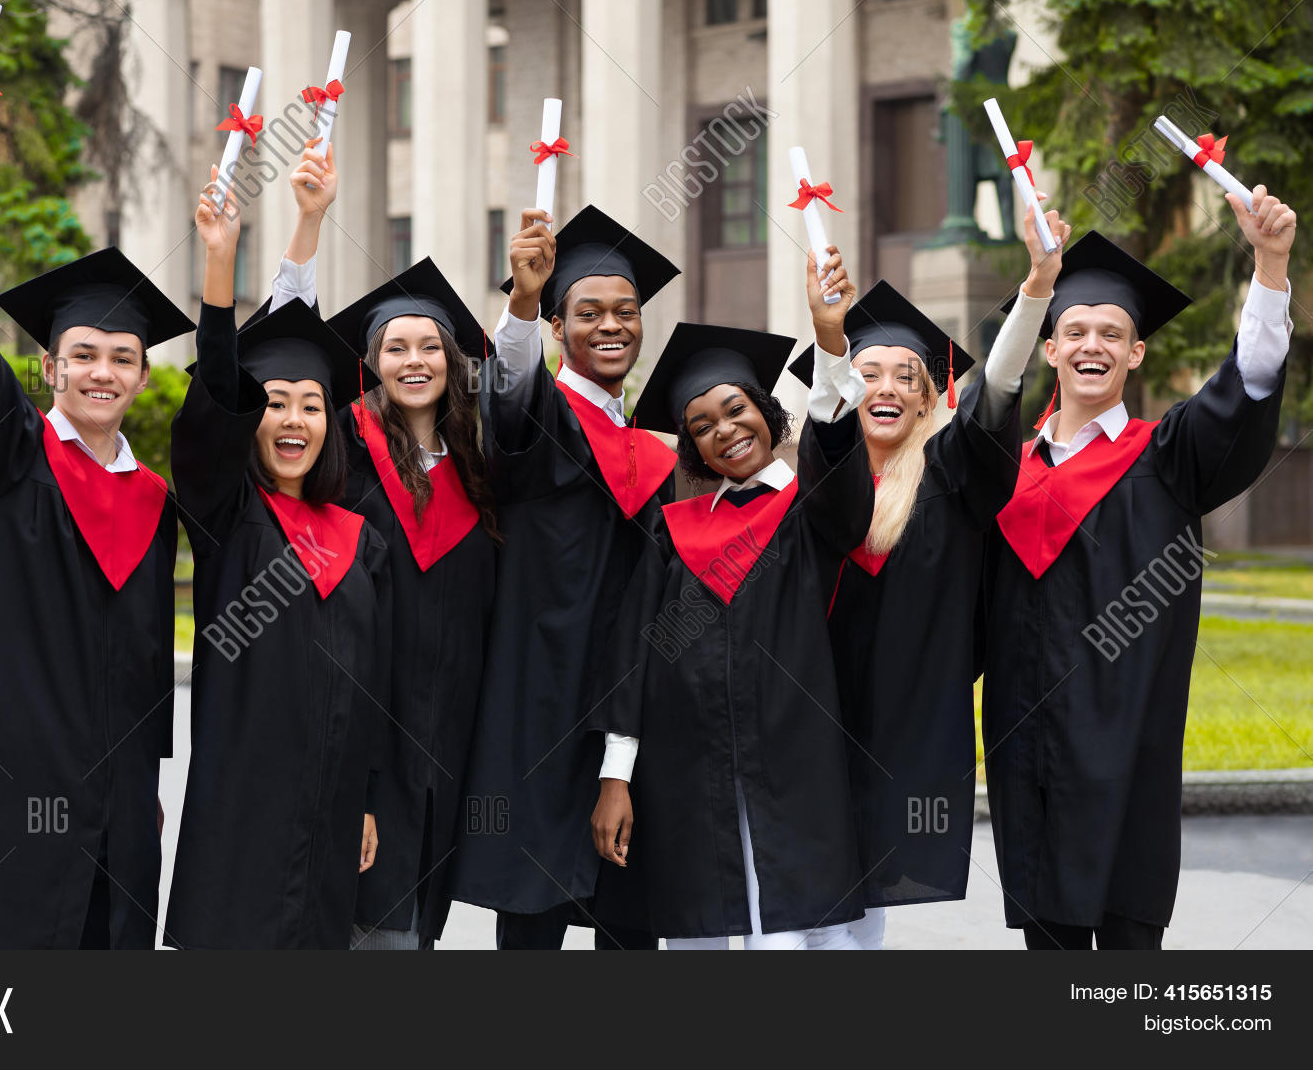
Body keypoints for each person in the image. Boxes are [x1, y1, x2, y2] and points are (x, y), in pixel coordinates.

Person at [0, 99, 191, 949]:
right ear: (49, 365)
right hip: (1, 807)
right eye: (83, 355)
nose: (102, 372)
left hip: (117, 815)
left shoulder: (152, 499)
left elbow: (141, 665)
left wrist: (145, 783)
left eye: (122, 357)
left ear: (140, 376)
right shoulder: (6, 458)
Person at [982, 186, 1296, 950]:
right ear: (1049, 348)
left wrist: (1271, 261)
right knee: (1047, 952)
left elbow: (1247, 380)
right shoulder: (1000, 473)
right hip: (1028, 751)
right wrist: (1036, 281)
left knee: (1127, 965)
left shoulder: (1168, 457)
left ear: (1136, 351)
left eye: (1113, 333)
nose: (1094, 345)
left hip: (1126, 752)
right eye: (1076, 330)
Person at [798, 205, 1070, 950]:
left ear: (927, 397)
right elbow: (826, 452)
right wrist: (829, 342)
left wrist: (1037, 288)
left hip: (901, 730)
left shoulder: (949, 478)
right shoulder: (809, 483)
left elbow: (996, 392)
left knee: (858, 924)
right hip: (804, 725)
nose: (885, 387)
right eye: (867, 374)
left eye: (905, 376)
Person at [587, 246, 874, 949]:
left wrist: (831, 339)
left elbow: (838, 453)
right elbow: (637, 659)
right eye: (703, 425)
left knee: (800, 940)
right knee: (701, 937)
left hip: (796, 771)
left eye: (736, 409)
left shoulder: (811, 514)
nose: (725, 430)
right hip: (687, 779)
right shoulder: (673, 530)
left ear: (768, 414)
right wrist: (615, 777)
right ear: (694, 449)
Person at [164, 167, 391, 949]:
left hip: (330, 818)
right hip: (241, 818)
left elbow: (369, 688)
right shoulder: (228, 515)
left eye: (312, 403)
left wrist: (363, 795)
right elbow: (217, 398)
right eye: (275, 402)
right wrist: (221, 265)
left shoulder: (362, 540)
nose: (293, 417)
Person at [448, 205, 681, 950]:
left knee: (633, 924)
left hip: (633, 710)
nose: (610, 325)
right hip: (538, 709)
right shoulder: (543, 418)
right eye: (587, 312)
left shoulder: (656, 452)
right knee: (534, 922)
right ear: (557, 328)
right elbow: (508, 395)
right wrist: (520, 298)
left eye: (626, 312)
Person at [324, 258, 499, 949]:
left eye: (431, 346)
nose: (415, 360)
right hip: (367, 740)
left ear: (454, 364)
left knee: (419, 927)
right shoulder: (341, 460)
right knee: (369, 928)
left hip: (449, 751)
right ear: (371, 365)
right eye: (396, 348)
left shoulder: (480, 475)